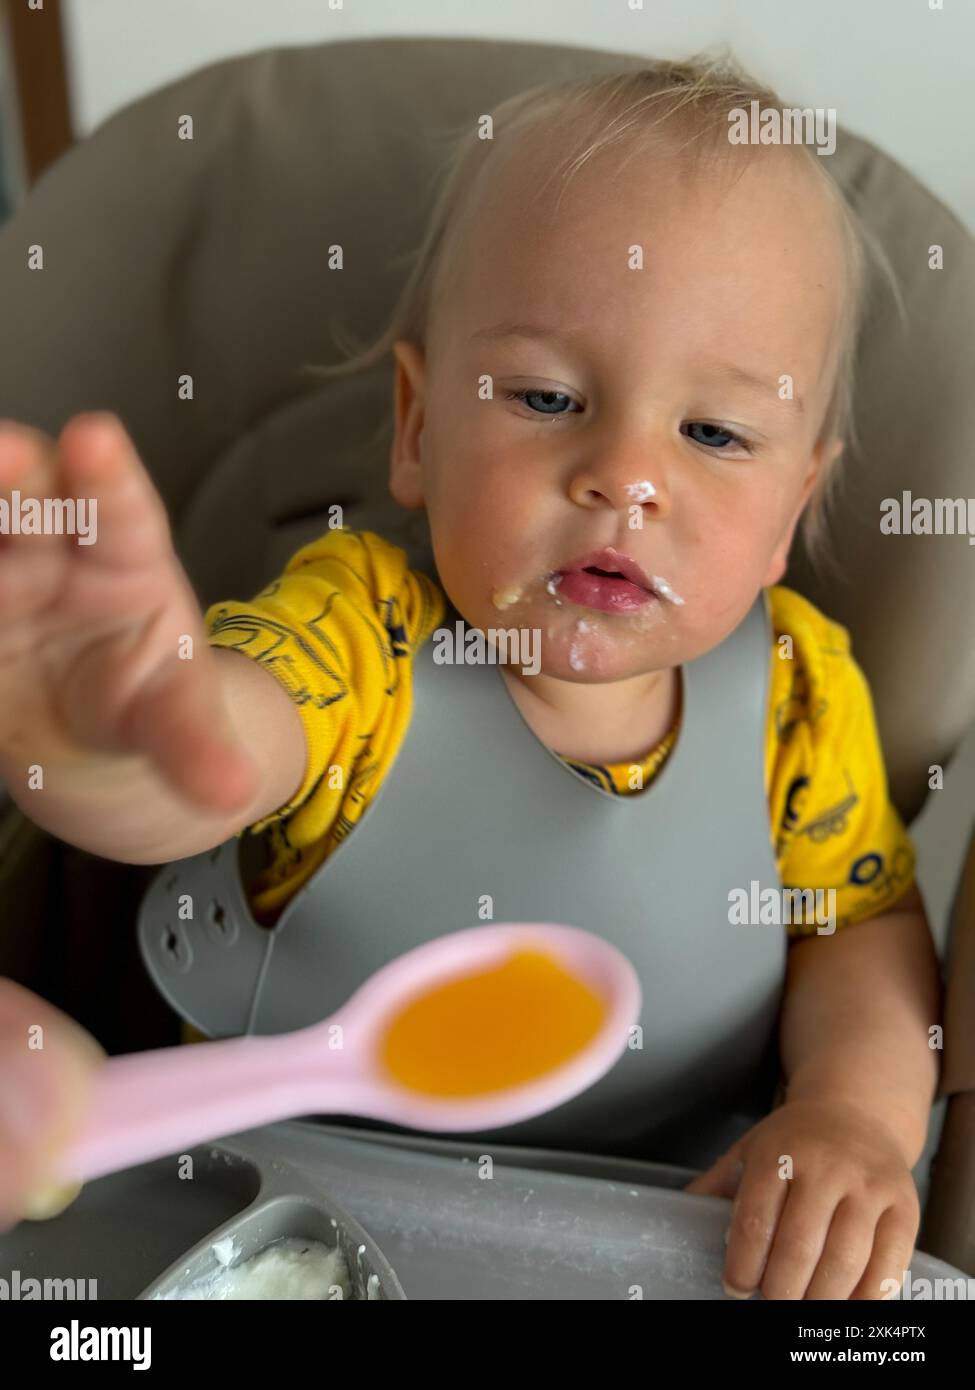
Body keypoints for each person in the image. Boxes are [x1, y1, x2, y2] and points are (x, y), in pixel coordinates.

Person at [0, 55, 941, 1300]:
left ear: (791, 512)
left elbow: (855, 925)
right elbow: (220, 752)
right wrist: (111, 736)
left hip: (664, 1230)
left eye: (713, 433)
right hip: (281, 1220)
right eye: (549, 397)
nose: (625, 475)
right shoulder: (364, 638)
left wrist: (853, 1116)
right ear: (419, 427)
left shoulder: (798, 697)